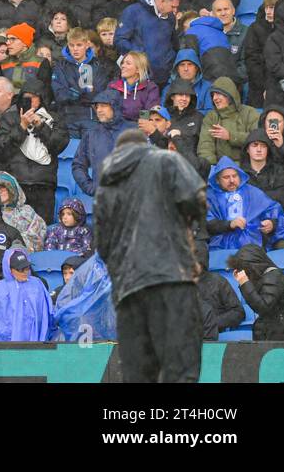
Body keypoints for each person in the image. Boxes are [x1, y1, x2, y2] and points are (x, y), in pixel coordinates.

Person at [97, 134, 206, 382]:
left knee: (137, 376)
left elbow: (102, 247)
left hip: (129, 290)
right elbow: (195, 199)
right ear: (145, 146)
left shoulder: (106, 184)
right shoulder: (166, 160)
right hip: (172, 280)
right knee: (181, 369)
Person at [0, 248, 53, 340]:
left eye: (27, 268)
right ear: (10, 270)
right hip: (7, 345)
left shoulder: (37, 284)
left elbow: (47, 314)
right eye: (20, 269)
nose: (25, 272)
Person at [227, 244, 284, 340]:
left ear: (253, 266)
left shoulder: (273, 277)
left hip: (279, 333)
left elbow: (263, 307)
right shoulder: (265, 276)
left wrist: (244, 283)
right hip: (271, 329)